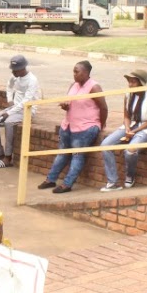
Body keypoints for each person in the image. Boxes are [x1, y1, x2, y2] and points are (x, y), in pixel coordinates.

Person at [37, 61, 108, 194]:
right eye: (73, 71)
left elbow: (103, 108)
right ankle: (50, 179)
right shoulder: (73, 85)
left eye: (77, 71)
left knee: (77, 155)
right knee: (62, 153)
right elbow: (69, 103)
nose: (74, 74)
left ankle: (67, 184)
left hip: (85, 127)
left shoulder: (94, 87)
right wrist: (65, 106)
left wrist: (101, 124)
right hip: (68, 125)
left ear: (86, 73)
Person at [99, 70, 147, 191]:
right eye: (129, 82)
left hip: (145, 128)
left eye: (133, 82)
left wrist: (135, 131)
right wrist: (127, 128)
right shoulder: (128, 95)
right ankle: (112, 182)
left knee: (130, 150)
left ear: (141, 83)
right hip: (130, 125)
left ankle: (130, 175)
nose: (130, 85)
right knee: (105, 145)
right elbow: (126, 116)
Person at [0, 54, 41, 168]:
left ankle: (8, 157)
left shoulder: (32, 80)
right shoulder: (15, 77)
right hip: (14, 108)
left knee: (8, 123)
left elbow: (26, 101)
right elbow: (9, 87)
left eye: (15, 70)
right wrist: (10, 100)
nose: (13, 72)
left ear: (22, 68)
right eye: (12, 69)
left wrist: (9, 113)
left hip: (27, 110)